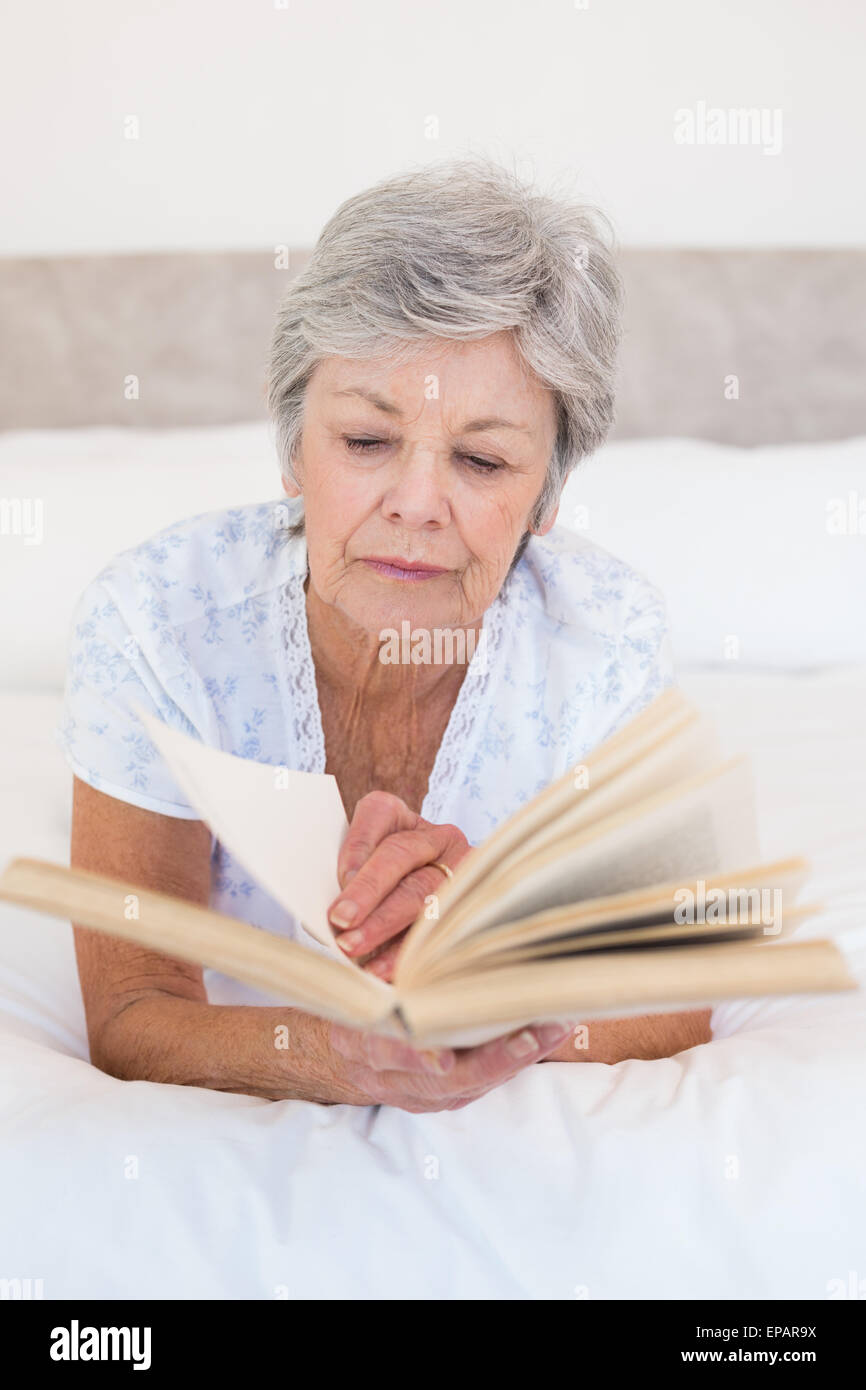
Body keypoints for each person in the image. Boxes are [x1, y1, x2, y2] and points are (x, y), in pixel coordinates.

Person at [61, 157, 710, 1112]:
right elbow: (134, 1010)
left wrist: (503, 960)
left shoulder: (606, 643)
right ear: (293, 447)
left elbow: (677, 1004)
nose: (415, 506)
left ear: (548, 495)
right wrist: (346, 1057)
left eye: (483, 460)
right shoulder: (158, 623)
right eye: (366, 442)